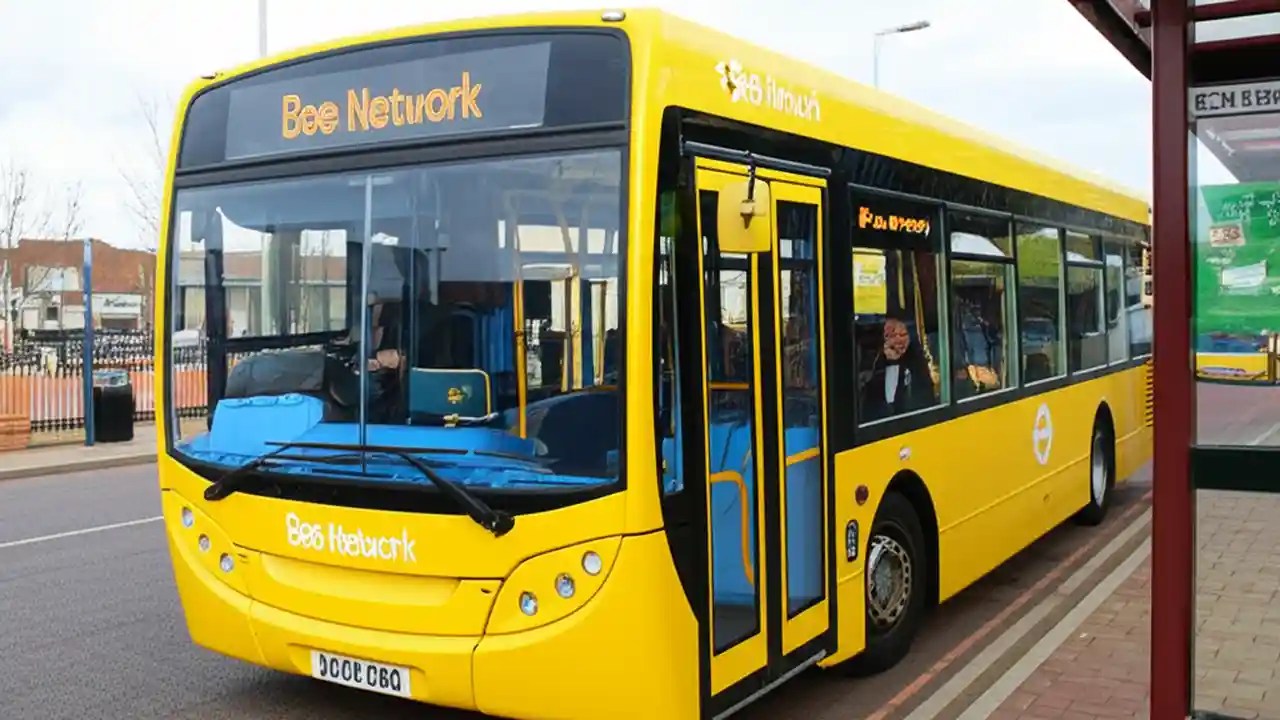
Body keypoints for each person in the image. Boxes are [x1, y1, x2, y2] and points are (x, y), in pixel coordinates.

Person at [859, 314, 935, 422]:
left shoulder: (916, 366)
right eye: (891, 335)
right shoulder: (872, 363)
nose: (898, 340)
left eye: (903, 334)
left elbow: (925, 397)